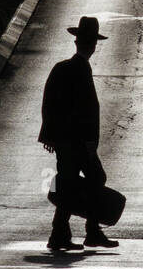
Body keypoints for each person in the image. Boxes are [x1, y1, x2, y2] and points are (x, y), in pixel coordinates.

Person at [38, 16, 117, 251]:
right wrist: (90, 142)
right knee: (86, 180)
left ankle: (69, 232)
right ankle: (77, 232)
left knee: (71, 182)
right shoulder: (78, 69)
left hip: (66, 140)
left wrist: (50, 136)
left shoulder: (63, 68)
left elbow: (48, 104)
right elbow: (85, 112)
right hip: (78, 142)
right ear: (92, 45)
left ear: (76, 42)